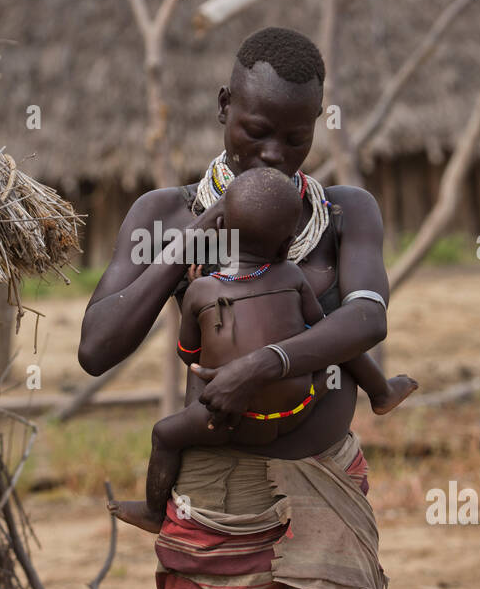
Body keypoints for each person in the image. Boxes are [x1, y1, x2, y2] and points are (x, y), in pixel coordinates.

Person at [79, 26, 400, 589]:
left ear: (317, 125)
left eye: (296, 138)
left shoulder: (344, 214)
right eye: (256, 130)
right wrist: (194, 239)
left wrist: (265, 362)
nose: (274, 155)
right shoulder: (163, 215)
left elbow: (367, 316)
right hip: (213, 505)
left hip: (321, 501)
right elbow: (96, 349)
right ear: (225, 104)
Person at [107, 166, 417, 534]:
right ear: (289, 245)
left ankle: (154, 512)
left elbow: (188, 355)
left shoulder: (202, 291)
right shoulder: (293, 277)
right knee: (330, 333)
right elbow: (321, 329)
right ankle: (381, 391)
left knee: (164, 434)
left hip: (229, 423)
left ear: (220, 232)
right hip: (300, 407)